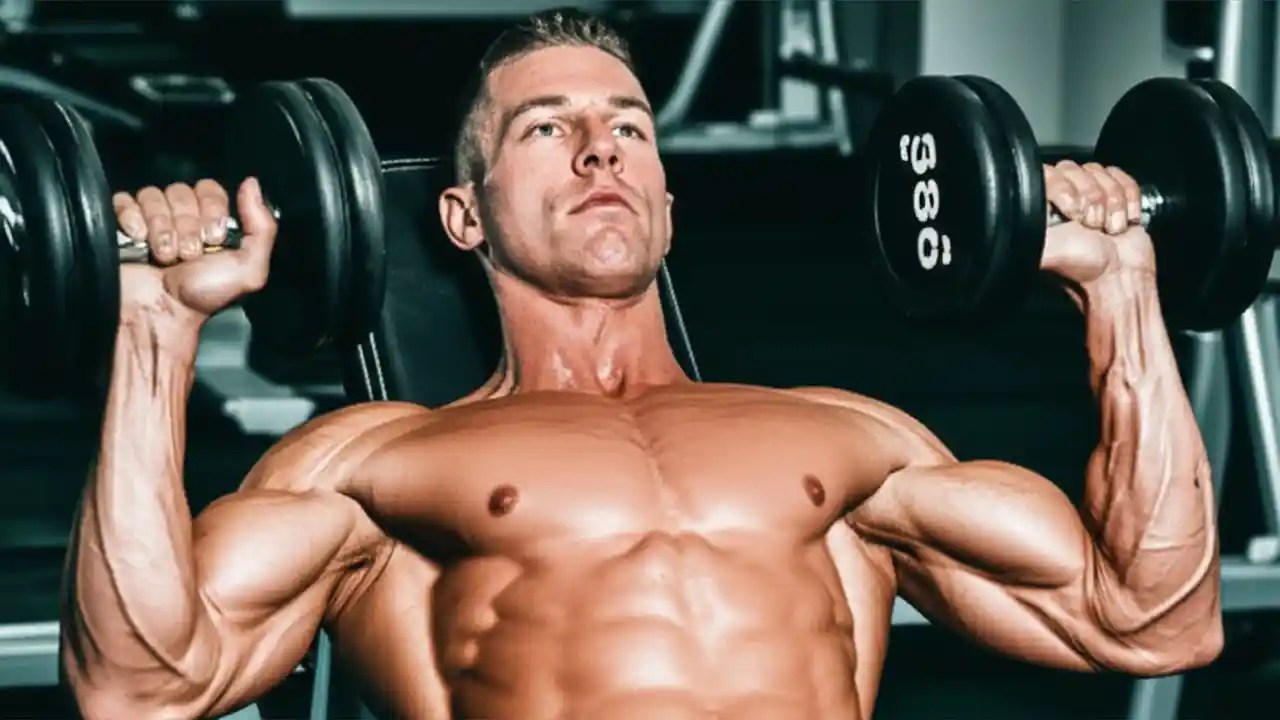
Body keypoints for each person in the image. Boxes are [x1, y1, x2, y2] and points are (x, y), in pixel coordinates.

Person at [64, 8, 1223, 720]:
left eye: (627, 126)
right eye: (544, 128)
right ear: (462, 217)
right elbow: (139, 684)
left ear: (666, 200)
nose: (597, 147)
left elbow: (1147, 621)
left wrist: (1120, 290)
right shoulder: (374, 464)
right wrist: (152, 334)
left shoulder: (849, 439)